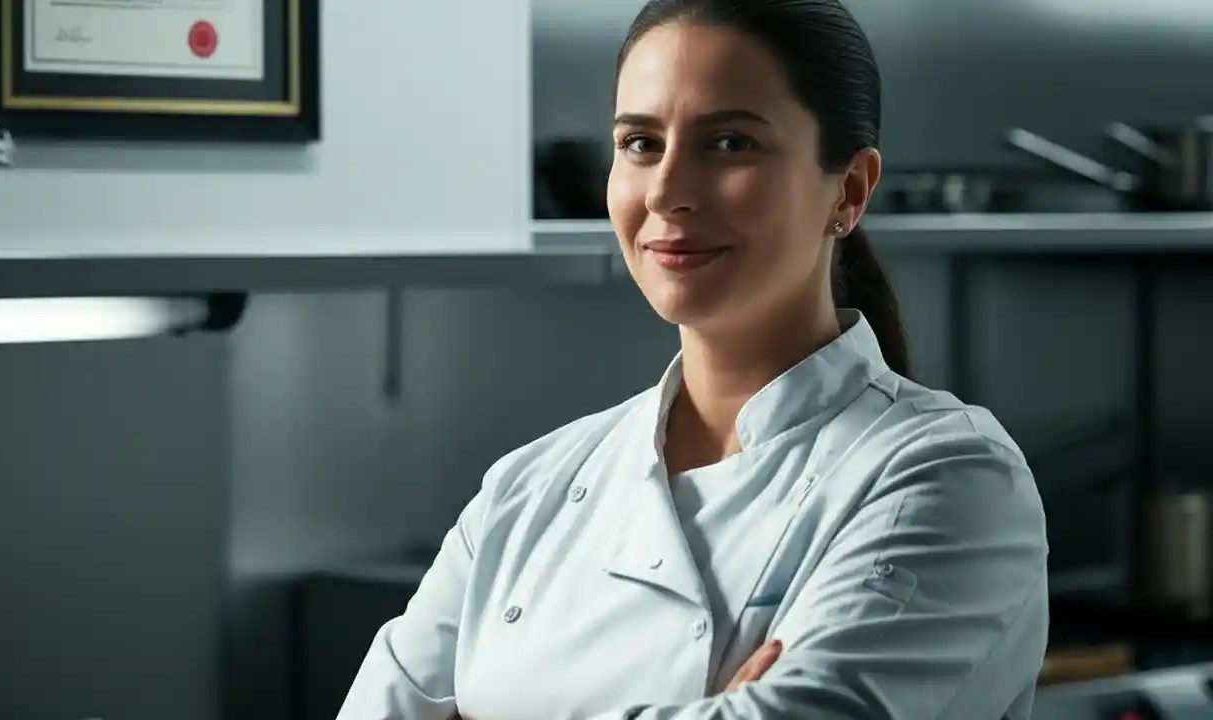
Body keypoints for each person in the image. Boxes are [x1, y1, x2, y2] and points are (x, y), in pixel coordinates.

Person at [337, 0, 1049, 717]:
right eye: (641, 144)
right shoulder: (527, 488)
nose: (668, 192)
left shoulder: (947, 474)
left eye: (731, 143)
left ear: (850, 190)